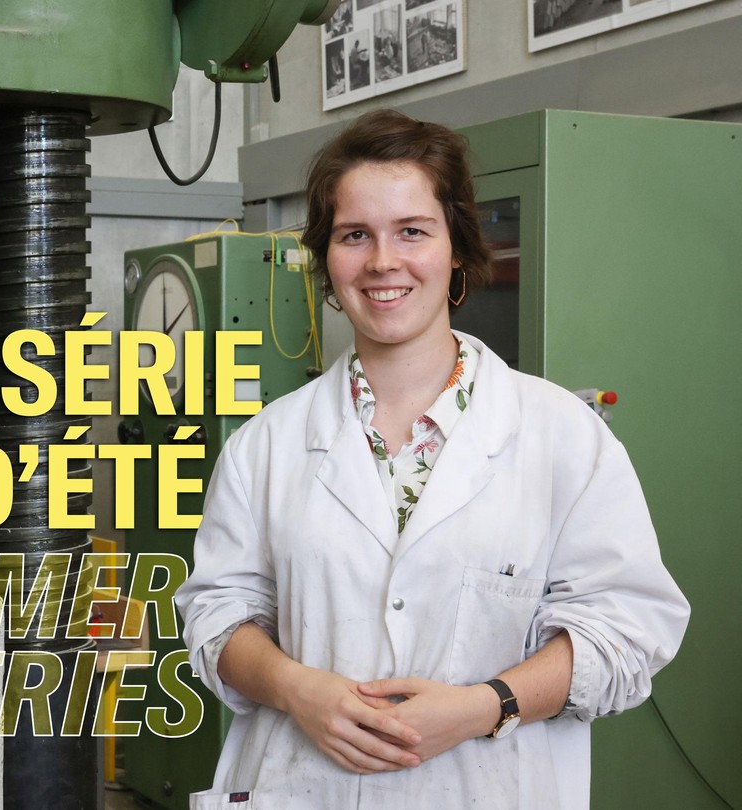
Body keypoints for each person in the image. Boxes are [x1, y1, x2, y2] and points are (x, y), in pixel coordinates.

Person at [174, 109, 689, 810]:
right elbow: (215, 614)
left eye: (412, 231)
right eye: (356, 235)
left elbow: (630, 630)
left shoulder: (561, 436)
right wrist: (300, 689)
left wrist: (487, 705)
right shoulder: (266, 444)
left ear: (456, 249)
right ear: (328, 256)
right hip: (303, 785)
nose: (384, 262)